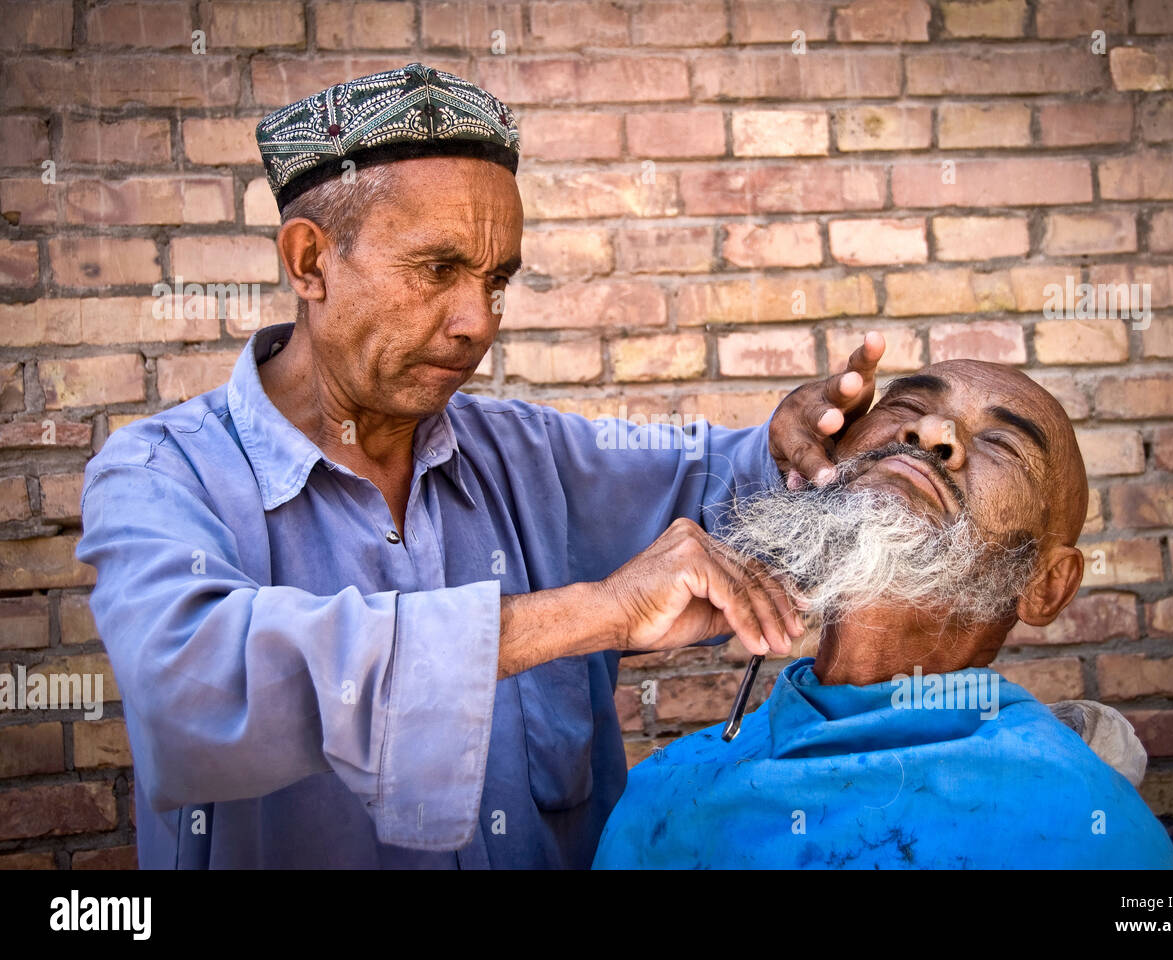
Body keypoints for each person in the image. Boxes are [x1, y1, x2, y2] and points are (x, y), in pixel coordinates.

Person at [74, 63, 893, 868]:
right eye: (437, 270)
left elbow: (732, 482)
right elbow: (191, 692)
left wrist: (794, 439)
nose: (476, 323)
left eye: (497, 281)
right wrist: (593, 612)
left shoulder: (532, 456)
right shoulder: (160, 475)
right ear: (309, 262)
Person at [593, 359, 1173, 869]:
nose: (931, 432)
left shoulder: (1085, 827)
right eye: (908, 405)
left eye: (1003, 444)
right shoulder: (665, 792)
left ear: (1047, 586)